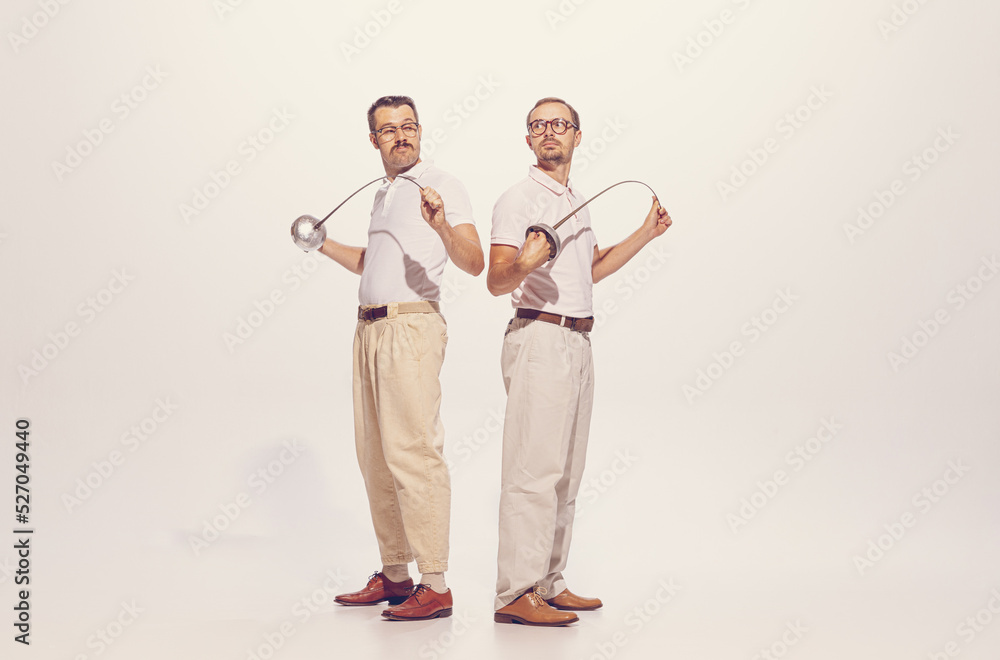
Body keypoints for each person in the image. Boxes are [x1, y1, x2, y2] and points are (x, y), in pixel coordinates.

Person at [486, 97, 671, 626]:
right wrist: (525, 260)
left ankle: (548, 581)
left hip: (579, 341)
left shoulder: (577, 200)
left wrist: (646, 233)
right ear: (527, 139)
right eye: (539, 125)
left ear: (577, 136)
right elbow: (498, 280)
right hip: (540, 337)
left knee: (566, 472)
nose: (550, 132)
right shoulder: (517, 199)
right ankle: (514, 593)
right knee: (532, 468)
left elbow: (589, 269)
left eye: (559, 124)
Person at [316, 95, 484, 621]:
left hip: (410, 326)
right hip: (368, 329)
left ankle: (435, 585)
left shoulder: (442, 186)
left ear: (419, 131)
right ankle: (395, 576)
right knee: (374, 457)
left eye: (409, 126)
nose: (402, 135)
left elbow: (475, 262)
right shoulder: (382, 195)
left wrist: (440, 224)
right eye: (389, 129)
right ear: (375, 140)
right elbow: (371, 261)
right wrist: (320, 244)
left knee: (414, 453)